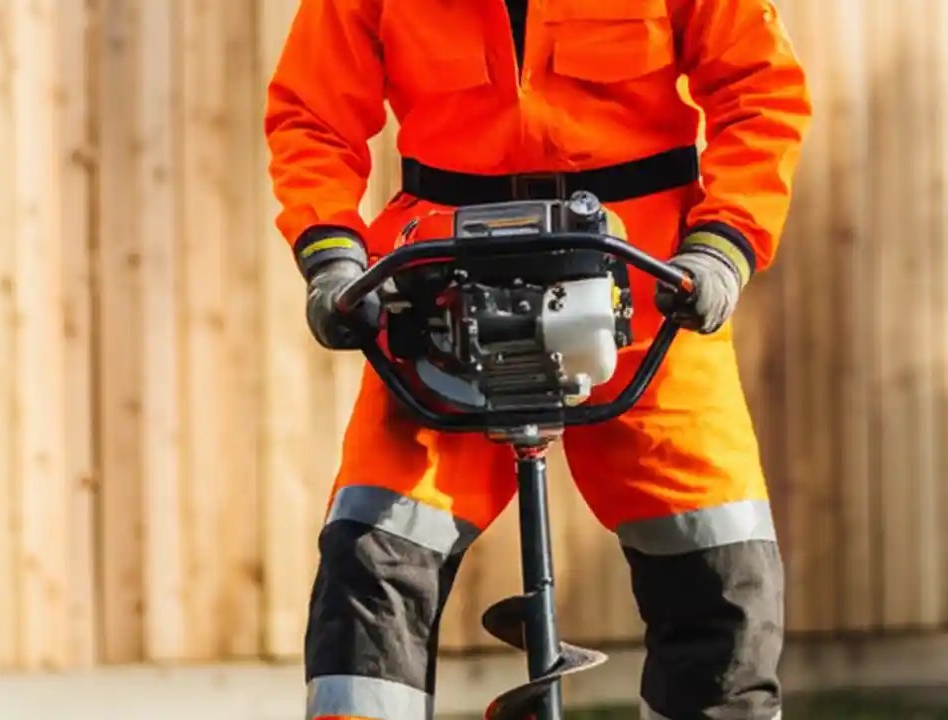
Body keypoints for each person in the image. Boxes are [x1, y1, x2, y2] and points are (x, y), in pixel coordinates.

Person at [265, 0, 811, 717]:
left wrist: (723, 246)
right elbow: (312, 115)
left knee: (720, 575)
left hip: (647, 289)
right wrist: (332, 255)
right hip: (442, 292)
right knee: (373, 556)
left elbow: (759, 92)